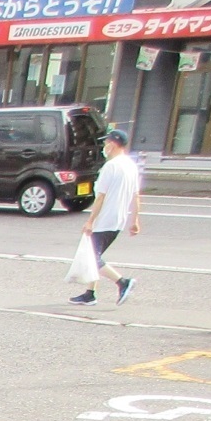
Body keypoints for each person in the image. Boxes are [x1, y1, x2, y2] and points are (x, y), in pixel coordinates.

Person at [71, 127, 140, 307]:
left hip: (105, 219)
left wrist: (90, 221)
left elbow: (100, 196)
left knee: (92, 257)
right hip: (119, 220)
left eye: (107, 142)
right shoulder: (131, 166)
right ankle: (90, 293)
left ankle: (122, 282)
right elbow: (136, 195)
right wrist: (135, 221)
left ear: (113, 144)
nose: (104, 145)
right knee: (94, 255)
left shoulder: (110, 167)